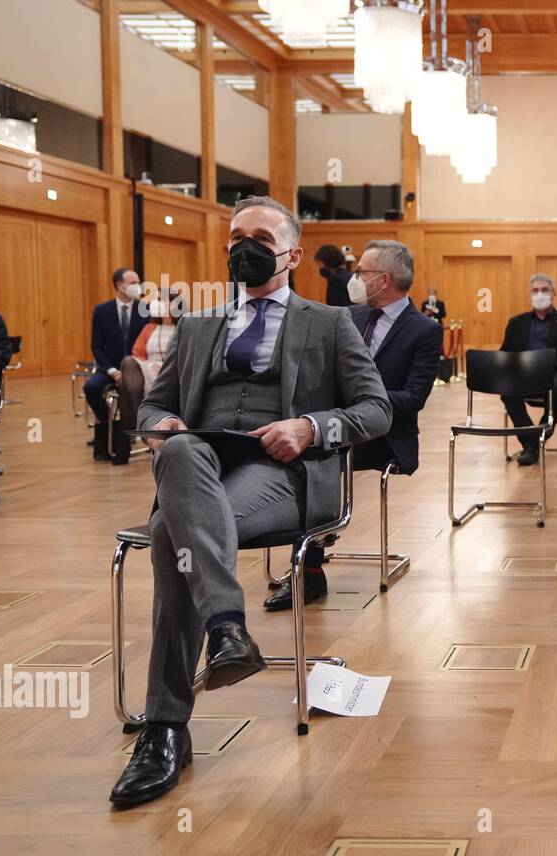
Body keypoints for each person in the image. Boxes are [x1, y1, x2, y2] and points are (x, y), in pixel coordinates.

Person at [108, 196, 392, 808]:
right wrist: (165, 425)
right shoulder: (200, 324)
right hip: (202, 463)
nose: (244, 245)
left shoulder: (330, 322)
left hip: (281, 470)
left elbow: (377, 411)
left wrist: (310, 428)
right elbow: (154, 406)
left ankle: (164, 729)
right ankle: (228, 629)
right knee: (178, 456)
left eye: (259, 236)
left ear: (290, 253)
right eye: (236, 235)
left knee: (169, 535)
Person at [265, 239, 443, 613]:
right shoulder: (348, 316)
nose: (353, 277)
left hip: (385, 434)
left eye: (360, 271)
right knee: (301, 447)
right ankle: (304, 550)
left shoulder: (423, 330)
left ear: (383, 279)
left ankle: (309, 568)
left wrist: (363, 403)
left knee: (319, 457)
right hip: (337, 426)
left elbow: (413, 399)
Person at [500, 274, 557, 467]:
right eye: (535, 290)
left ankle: (542, 432)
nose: (540, 294)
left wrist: (547, 363)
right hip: (523, 373)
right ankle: (531, 441)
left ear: (554, 293)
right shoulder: (517, 323)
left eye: (545, 290)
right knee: (507, 390)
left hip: (556, 373)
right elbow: (505, 353)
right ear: (530, 294)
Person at [112, 289, 186, 464]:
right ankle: (139, 420)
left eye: (163, 300)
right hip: (146, 369)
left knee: (125, 387)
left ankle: (129, 433)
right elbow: (137, 354)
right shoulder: (149, 328)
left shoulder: (185, 325)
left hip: (172, 372)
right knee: (129, 363)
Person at [86, 269, 150, 461]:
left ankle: (124, 433)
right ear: (119, 285)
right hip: (109, 368)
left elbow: (146, 344)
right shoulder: (101, 311)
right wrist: (113, 371)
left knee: (127, 392)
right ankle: (108, 425)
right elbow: (96, 346)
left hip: (135, 368)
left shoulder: (144, 310)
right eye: (133, 282)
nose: (137, 286)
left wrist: (130, 369)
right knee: (91, 387)